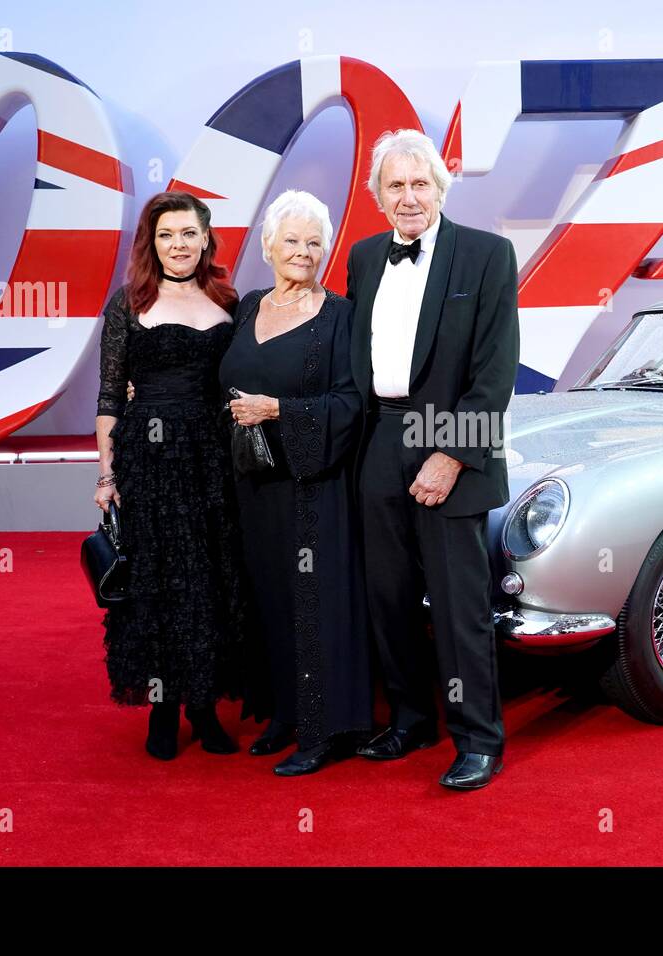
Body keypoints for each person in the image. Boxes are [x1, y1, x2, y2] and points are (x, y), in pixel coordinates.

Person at [346, 129, 520, 790]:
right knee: (386, 596)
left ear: (440, 189)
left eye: (421, 184)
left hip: (451, 437)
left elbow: (494, 370)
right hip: (379, 438)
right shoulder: (364, 258)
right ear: (379, 196)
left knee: (458, 603)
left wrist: (450, 453)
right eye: (396, 185)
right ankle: (412, 719)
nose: (409, 197)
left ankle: (479, 739)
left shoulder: (487, 255)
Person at [95, 190, 257, 760]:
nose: (178, 245)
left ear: (206, 240)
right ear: (152, 242)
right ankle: (163, 711)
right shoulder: (129, 303)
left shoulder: (230, 303)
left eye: (188, 234)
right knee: (160, 583)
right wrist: (107, 475)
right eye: (166, 235)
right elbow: (111, 396)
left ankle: (205, 707)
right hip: (150, 463)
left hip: (212, 459)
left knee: (212, 580)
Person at [219, 189, 371, 775]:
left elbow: (353, 403)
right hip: (253, 487)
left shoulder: (341, 316)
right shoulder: (247, 307)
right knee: (270, 600)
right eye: (291, 241)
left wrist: (279, 410)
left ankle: (324, 729)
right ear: (267, 246)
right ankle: (284, 711)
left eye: (314, 243)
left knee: (317, 602)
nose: (303, 252)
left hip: (315, 485)